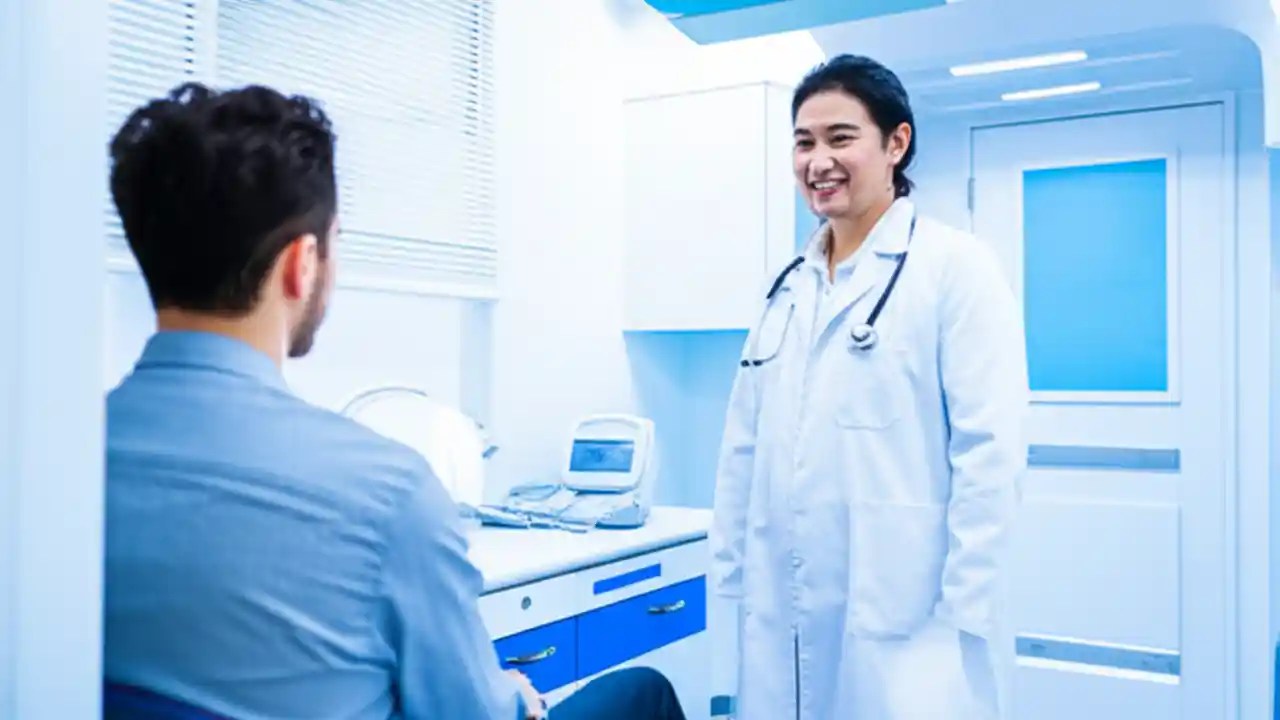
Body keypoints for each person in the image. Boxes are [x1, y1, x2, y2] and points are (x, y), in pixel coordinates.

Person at [102, 82, 687, 720]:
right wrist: (510, 698)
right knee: (642, 692)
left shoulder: (55, 473)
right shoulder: (386, 494)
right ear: (302, 264)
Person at [709, 54, 1029, 720]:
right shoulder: (786, 289)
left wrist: (965, 609)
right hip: (782, 614)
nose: (817, 161)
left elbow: (991, 453)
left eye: (840, 138)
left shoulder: (954, 268)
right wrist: (732, 577)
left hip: (910, 619)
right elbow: (744, 447)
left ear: (896, 143)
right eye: (803, 142)